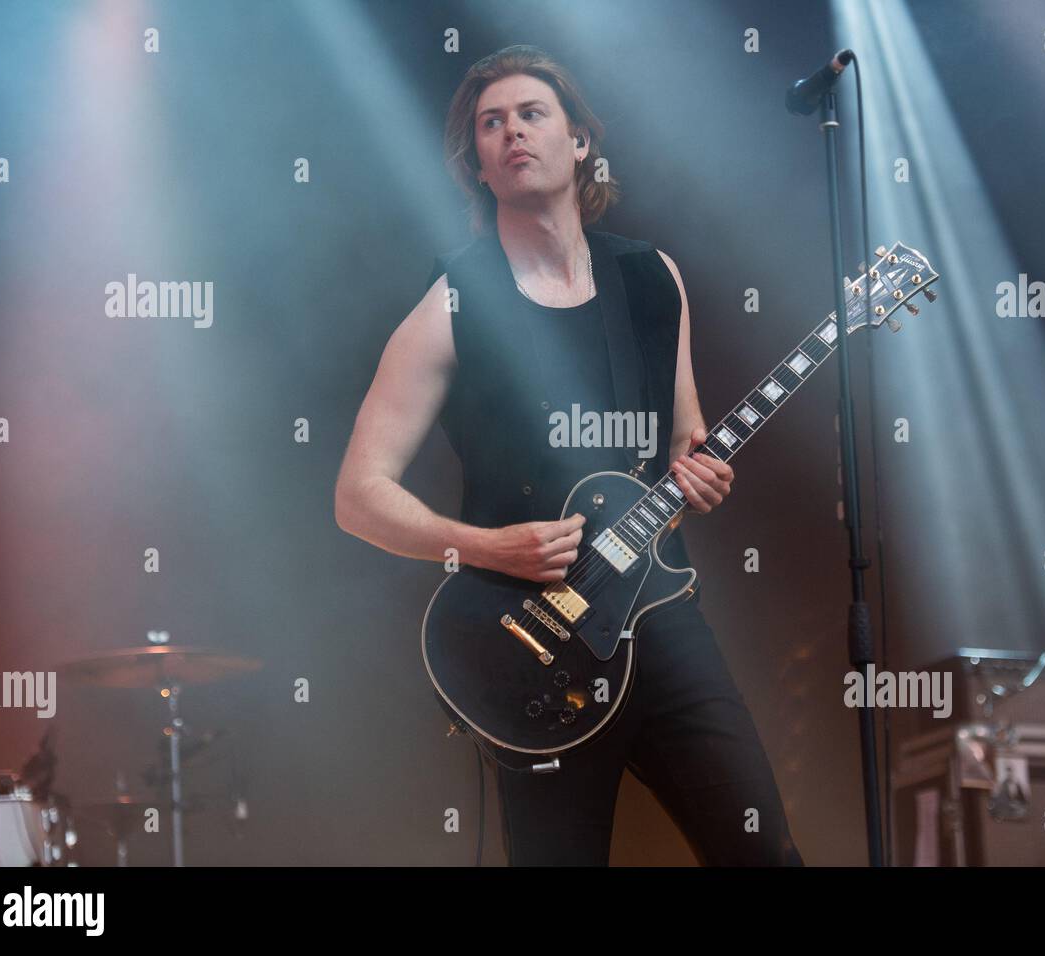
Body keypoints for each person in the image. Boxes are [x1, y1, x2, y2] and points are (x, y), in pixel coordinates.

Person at [335, 44, 803, 866]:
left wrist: (703, 474)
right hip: (531, 646)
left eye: (531, 114)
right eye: (490, 124)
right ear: (478, 163)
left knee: (765, 854)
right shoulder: (454, 304)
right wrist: (483, 546)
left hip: (658, 619)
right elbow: (359, 494)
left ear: (580, 141)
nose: (511, 131)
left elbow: (683, 443)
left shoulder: (652, 278)